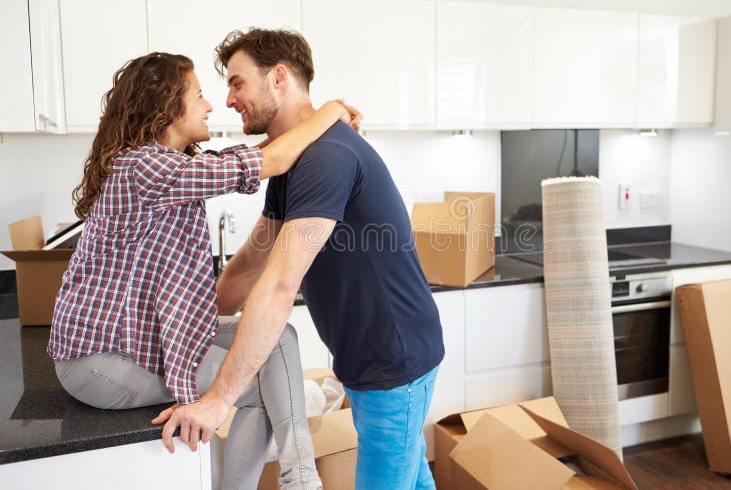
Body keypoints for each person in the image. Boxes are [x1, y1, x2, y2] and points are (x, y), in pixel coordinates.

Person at [48, 51, 361, 490]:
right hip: (100, 364)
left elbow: (254, 156)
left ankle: (300, 476)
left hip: (132, 341)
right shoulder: (145, 167)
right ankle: (299, 480)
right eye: (197, 95)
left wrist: (314, 125)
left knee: (279, 337)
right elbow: (268, 162)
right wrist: (330, 112)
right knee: (254, 387)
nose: (210, 105)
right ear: (165, 104)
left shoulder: (162, 167)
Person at [158, 29, 445, 490]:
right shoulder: (294, 161)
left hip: (394, 363)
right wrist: (192, 336)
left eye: (237, 83)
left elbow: (277, 285)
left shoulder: (326, 156)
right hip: (372, 358)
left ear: (278, 78)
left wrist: (218, 399)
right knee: (412, 479)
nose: (228, 100)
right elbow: (250, 265)